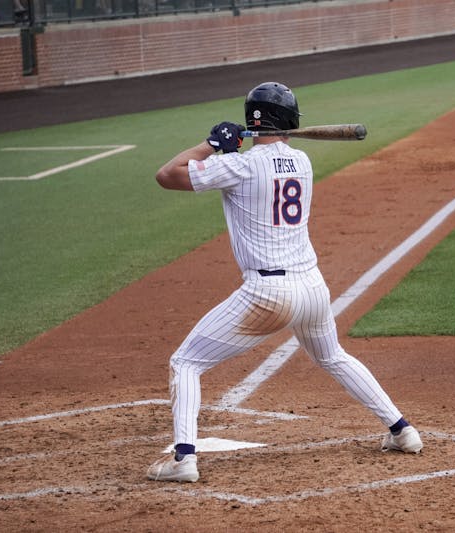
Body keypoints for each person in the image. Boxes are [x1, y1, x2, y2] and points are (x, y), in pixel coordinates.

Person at [147, 82, 423, 483]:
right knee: (333, 356)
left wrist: (211, 144)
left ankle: (183, 459)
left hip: (266, 295)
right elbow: (268, 164)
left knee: (185, 362)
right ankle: (402, 430)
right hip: (312, 288)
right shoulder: (303, 162)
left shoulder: (238, 166)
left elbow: (166, 176)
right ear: (290, 120)